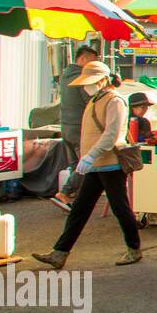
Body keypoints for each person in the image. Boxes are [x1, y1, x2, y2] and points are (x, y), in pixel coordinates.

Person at [32, 61, 142, 268]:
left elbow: (111, 135)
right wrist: (89, 158)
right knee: (80, 209)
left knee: (120, 208)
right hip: (94, 164)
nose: (86, 87)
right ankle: (60, 252)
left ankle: (134, 249)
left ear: (103, 80)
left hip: (110, 164)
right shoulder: (95, 100)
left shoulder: (114, 101)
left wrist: (90, 155)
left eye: (90, 82)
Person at [54, 43, 100, 209]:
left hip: (65, 127)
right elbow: (92, 101)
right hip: (79, 128)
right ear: (82, 59)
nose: (92, 67)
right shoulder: (81, 77)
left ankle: (74, 197)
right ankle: (65, 193)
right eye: (92, 63)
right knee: (86, 163)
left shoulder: (65, 74)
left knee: (76, 164)